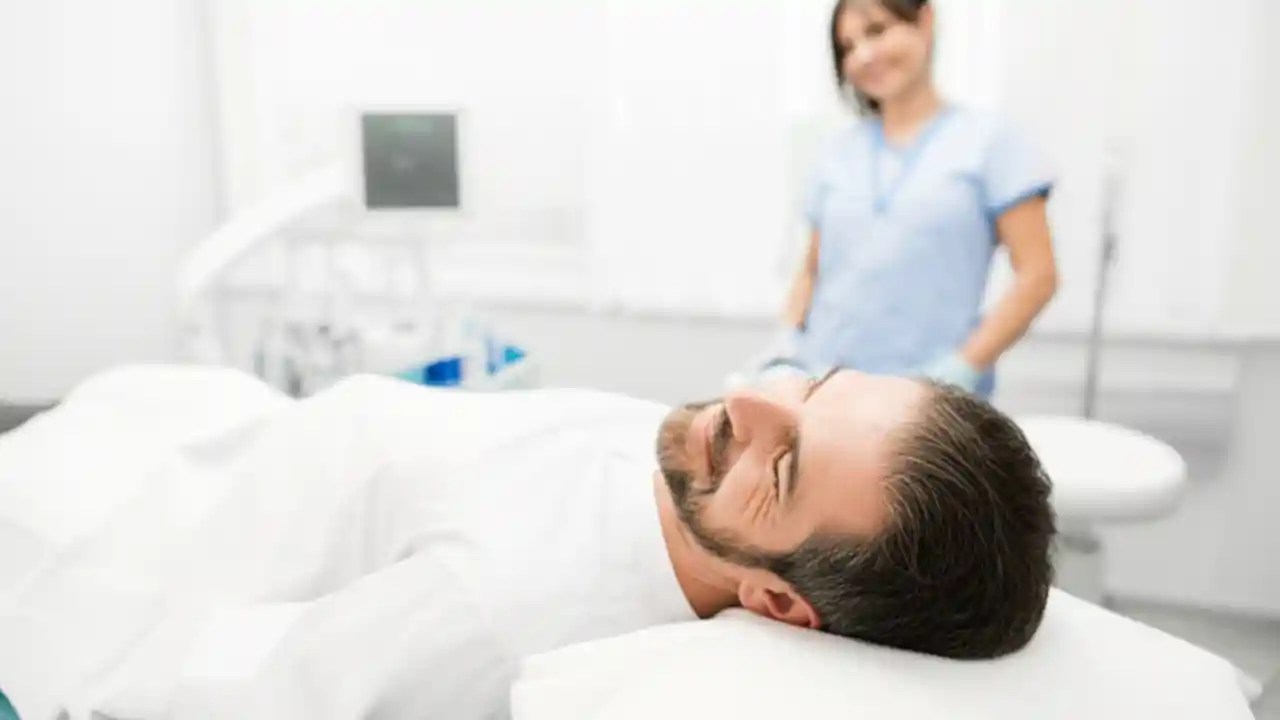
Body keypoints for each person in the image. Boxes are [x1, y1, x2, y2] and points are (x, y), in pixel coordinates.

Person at [0, 366, 1053, 718]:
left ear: (777, 602)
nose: (746, 402)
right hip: (200, 426)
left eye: (781, 470)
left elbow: (239, 689)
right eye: (812, 384)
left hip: (99, 526)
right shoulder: (690, 466)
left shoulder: (498, 616)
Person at [781, 0, 1059, 397]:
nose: (863, 55)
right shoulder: (836, 152)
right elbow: (811, 270)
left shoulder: (991, 142)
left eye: (877, 30)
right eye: (847, 47)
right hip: (824, 385)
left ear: (925, 21)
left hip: (930, 400)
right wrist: (786, 350)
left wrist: (962, 366)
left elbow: (1038, 276)